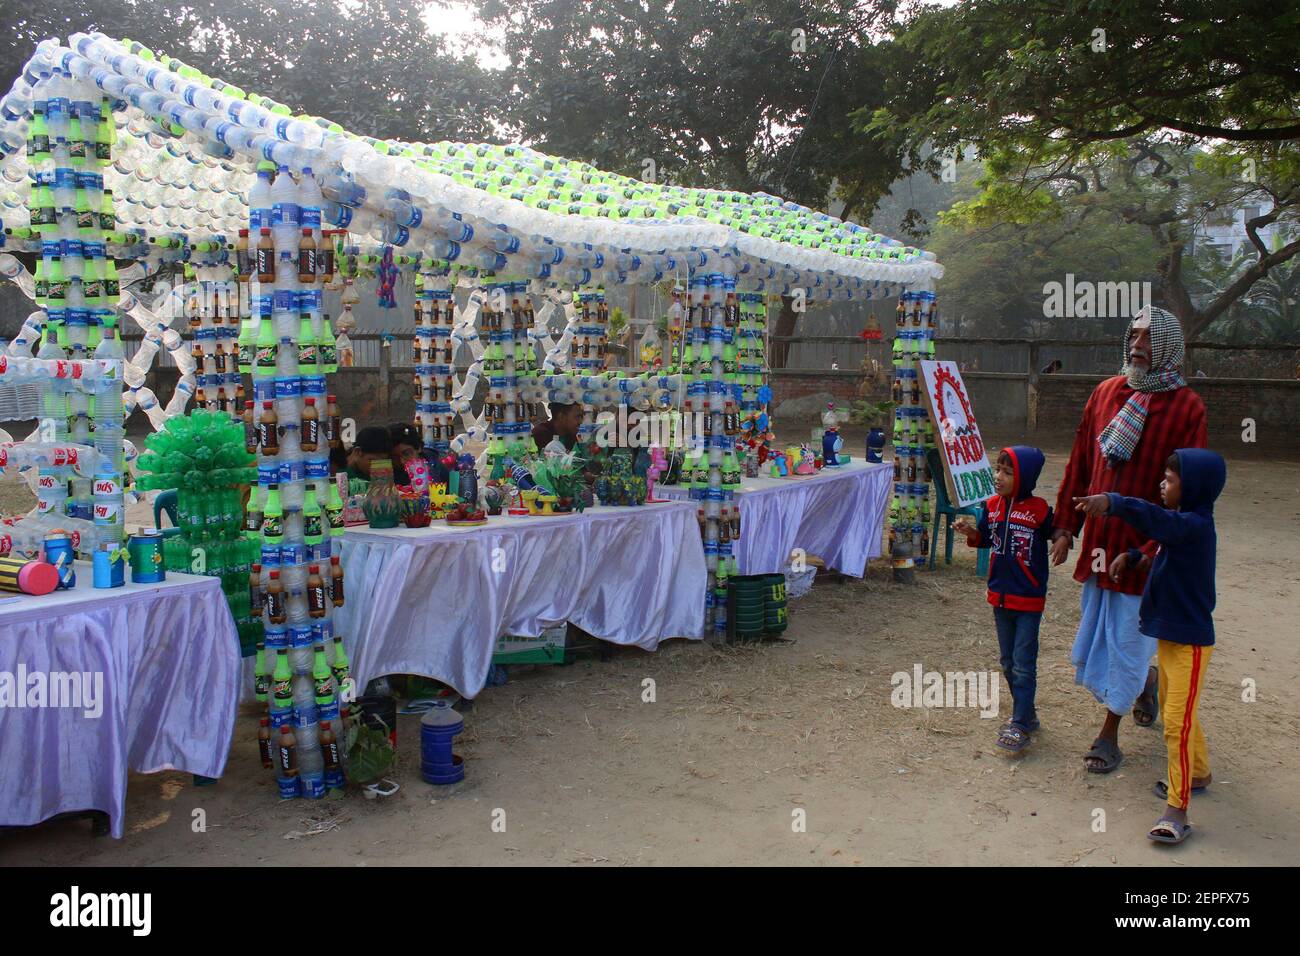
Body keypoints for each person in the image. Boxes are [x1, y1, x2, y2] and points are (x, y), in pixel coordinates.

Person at [1051, 305, 1207, 774]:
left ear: (1169, 349)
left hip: (1141, 549)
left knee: (1127, 637)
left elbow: (1189, 494)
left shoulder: (1186, 407)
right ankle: (1144, 683)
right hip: (1100, 538)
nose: (1138, 346)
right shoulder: (1105, 394)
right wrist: (1065, 527)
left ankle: (1108, 733)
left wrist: (1149, 551)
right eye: (1134, 335)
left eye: (1149, 338)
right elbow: (1081, 460)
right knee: (1098, 632)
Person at [1073, 448, 1226, 845]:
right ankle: (1200, 772)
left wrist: (1114, 503)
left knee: (1177, 723)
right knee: (1182, 710)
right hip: (1171, 639)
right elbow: (1160, 542)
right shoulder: (1183, 525)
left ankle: (1178, 809)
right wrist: (1137, 556)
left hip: (1190, 644)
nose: (1163, 483)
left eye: (1171, 479)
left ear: (1193, 488)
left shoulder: (1195, 525)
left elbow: (1157, 522)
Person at [954, 447, 1053, 754]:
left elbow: (1060, 532)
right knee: (1008, 663)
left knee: (1024, 664)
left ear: (1025, 477)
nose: (998, 477)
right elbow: (986, 538)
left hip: (1028, 601)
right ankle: (1028, 714)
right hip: (1000, 598)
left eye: (1007, 472)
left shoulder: (1040, 510)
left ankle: (1020, 723)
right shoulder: (992, 506)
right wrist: (971, 531)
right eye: (998, 469)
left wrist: (1064, 539)